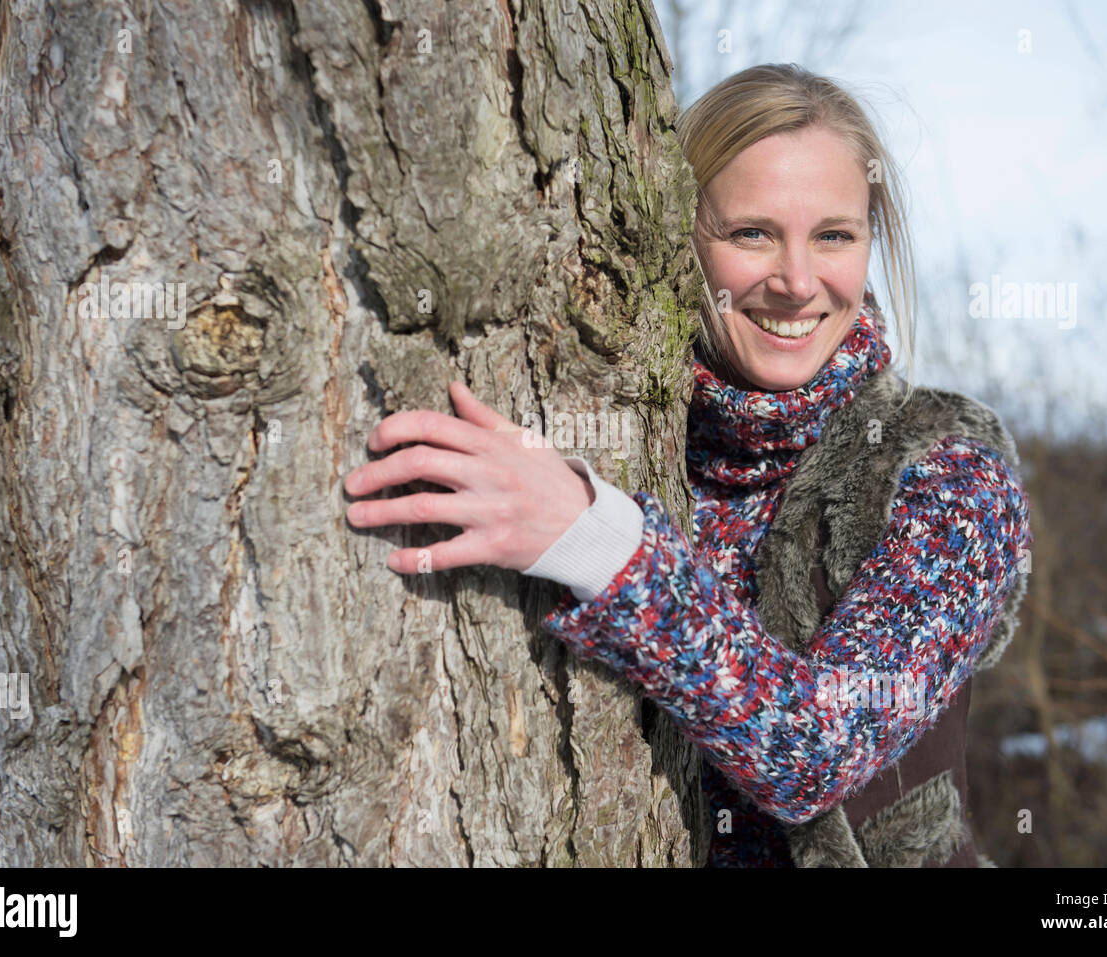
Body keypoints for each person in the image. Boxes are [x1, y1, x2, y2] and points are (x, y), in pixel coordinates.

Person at [343, 63, 1033, 867]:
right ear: (682, 237)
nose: (798, 281)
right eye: (753, 233)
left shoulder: (949, 476)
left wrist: (596, 540)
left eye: (834, 235)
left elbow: (814, 745)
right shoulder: (643, 432)